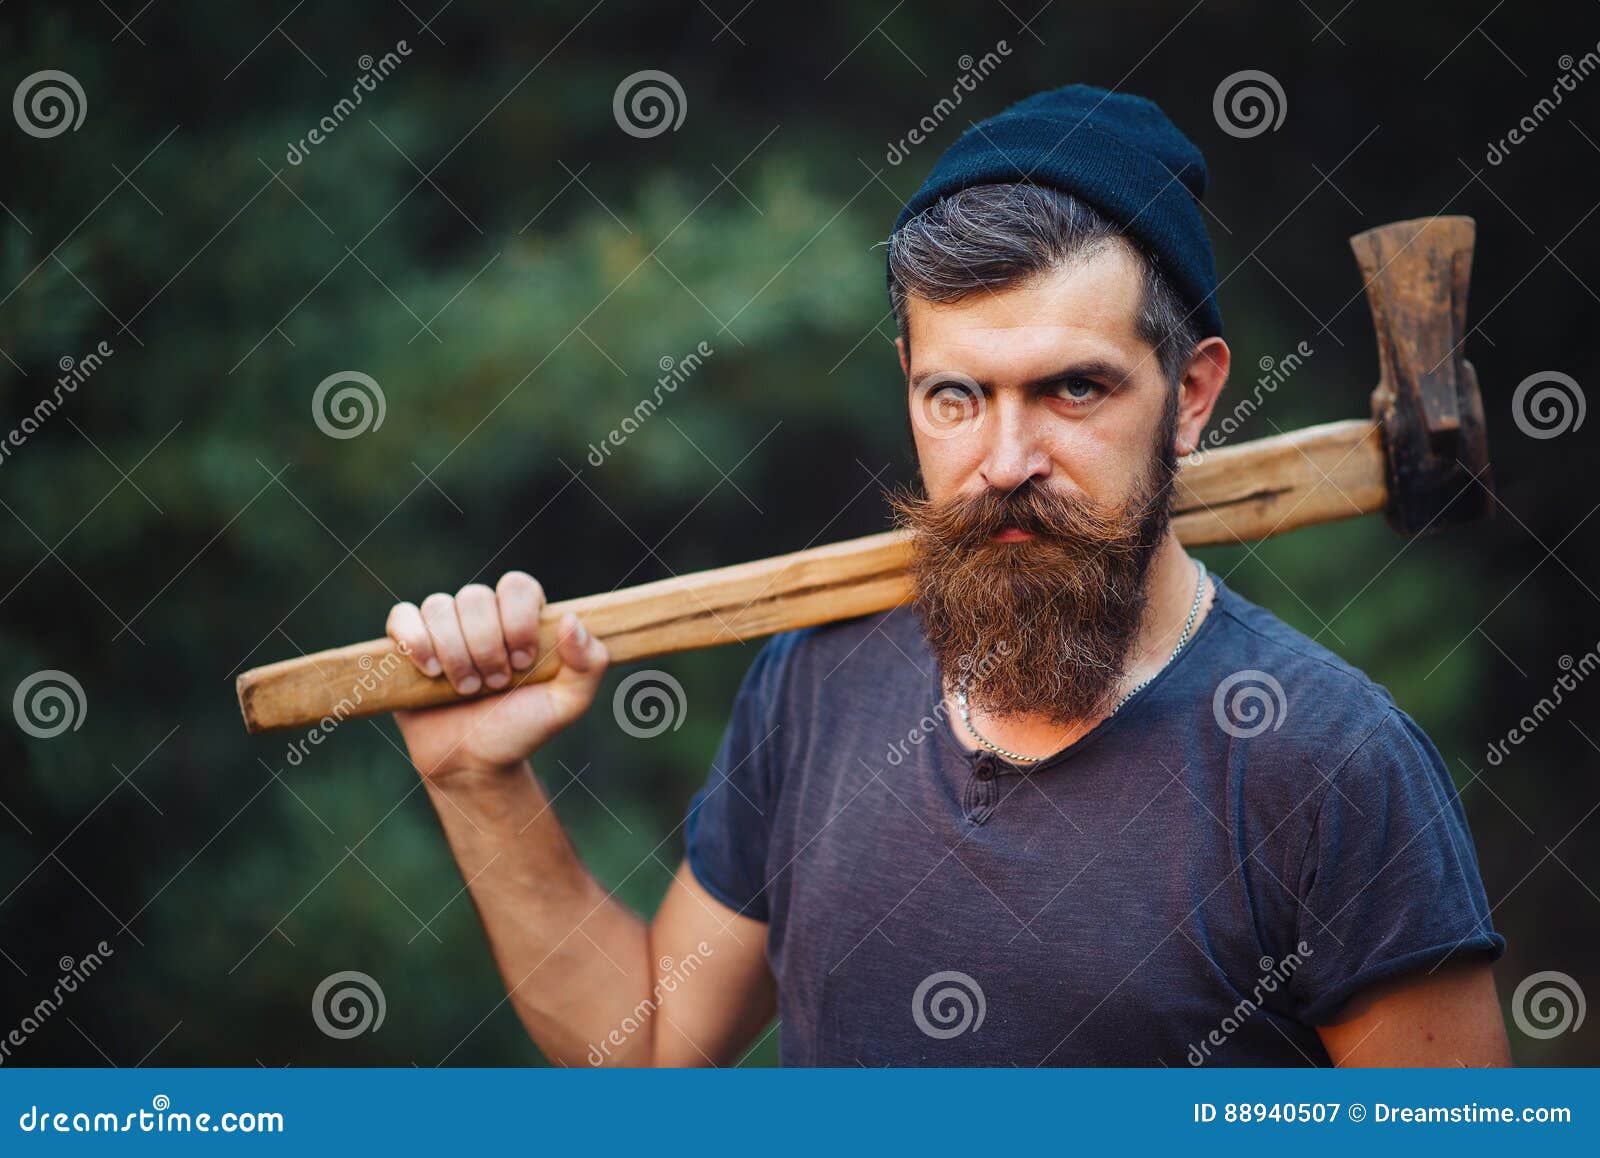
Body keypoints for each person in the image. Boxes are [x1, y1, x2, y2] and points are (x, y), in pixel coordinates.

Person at [382, 84, 1509, 1066]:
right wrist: (479, 786)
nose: (1005, 462)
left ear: (1196, 393)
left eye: (1074, 389)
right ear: (910, 386)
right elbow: (652, 1050)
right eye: (956, 397)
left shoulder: (1327, 766)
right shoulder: (817, 683)